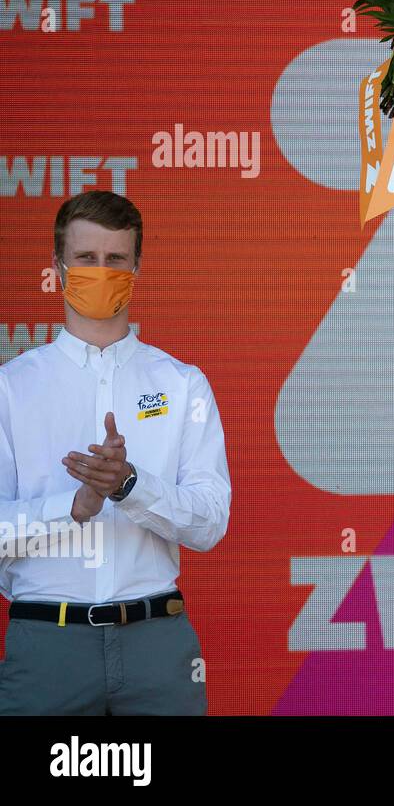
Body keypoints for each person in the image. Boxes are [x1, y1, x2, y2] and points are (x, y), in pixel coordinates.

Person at [0, 190, 231, 715]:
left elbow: (210, 522)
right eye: (85, 259)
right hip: (46, 644)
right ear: (59, 267)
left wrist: (130, 486)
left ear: (136, 267)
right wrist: (72, 507)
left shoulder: (182, 384)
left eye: (115, 260)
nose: (100, 272)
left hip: (157, 641)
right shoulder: (10, 389)